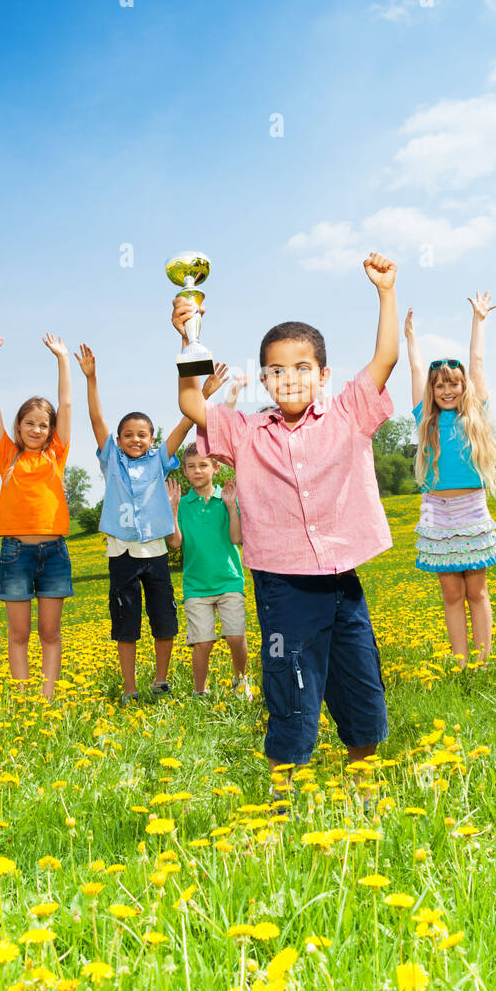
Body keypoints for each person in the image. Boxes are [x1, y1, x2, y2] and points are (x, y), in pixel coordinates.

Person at [171, 252, 399, 801]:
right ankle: (281, 801)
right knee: (291, 689)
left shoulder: (347, 414)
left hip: (343, 584)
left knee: (360, 688)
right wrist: (188, 340)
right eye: (277, 369)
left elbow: (386, 358)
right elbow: (188, 401)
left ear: (322, 374)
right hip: (283, 587)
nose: (290, 378)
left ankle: (363, 790)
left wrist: (386, 292)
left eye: (303, 367)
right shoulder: (246, 433)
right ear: (265, 379)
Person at [74, 344, 224, 703]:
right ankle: (129, 688)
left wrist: (202, 394)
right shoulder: (111, 460)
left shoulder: (161, 460)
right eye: (128, 435)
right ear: (119, 440)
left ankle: (160, 680)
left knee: (164, 621)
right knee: (126, 626)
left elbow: (185, 425)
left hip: (155, 552)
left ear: (152, 440)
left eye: (142, 434)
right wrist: (91, 379)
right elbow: (97, 421)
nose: (135, 439)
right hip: (122, 553)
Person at [405, 291, 496, 666]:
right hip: (436, 511)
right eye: (440, 385)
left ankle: (483, 661)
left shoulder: (474, 415)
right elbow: (416, 371)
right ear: (433, 390)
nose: (447, 390)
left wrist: (479, 320)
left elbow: (476, 360)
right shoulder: (424, 419)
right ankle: (460, 663)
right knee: (451, 593)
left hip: (471, 508)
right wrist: (411, 339)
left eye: (453, 383)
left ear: (464, 387)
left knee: (476, 591)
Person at [0, 333, 72, 700]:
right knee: (19, 634)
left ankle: (46, 699)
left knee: (50, 632)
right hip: (15, 555)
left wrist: (62, 359)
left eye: (42, 425)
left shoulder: (56, 454)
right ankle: (22, 698)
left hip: (54, 555)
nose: (36, 429)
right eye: (29, 423)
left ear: (50, 431)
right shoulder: (8, 455)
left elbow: (64, 404)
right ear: (18, 428)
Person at [166, 447, 251, 700]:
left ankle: (240, 681)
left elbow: (236, 537)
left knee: (235, 636)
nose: (197, 471)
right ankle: (200, 691)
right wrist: (172, 510)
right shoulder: (182, 504)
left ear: (216, 468)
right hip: (196, 586)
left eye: (203, 465)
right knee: (202, 642)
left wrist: (230, 506)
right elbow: (175, 543)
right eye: (191, 466)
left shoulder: (227, 499)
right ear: (185, 472)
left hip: (229, 580)